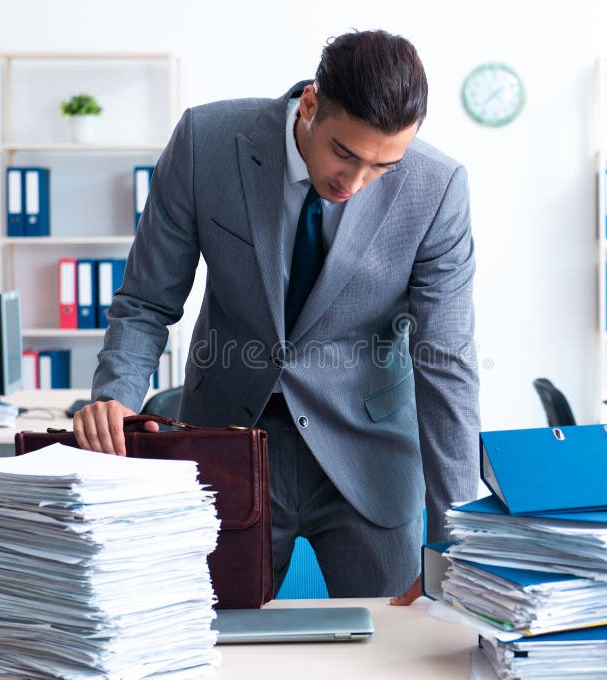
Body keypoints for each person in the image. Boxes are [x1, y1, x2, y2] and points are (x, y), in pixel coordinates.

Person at [74, 29, 480, 605]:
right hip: (229, 446)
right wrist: (117, 396)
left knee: (401, 648)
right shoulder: (206, 143)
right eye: (344, 153)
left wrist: (455, 543)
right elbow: (146, 302)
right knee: (204, 640)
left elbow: (446, 362)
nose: (355, 182)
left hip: (369, 457)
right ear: (311, 104)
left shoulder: (437, 189)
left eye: (382, 166)